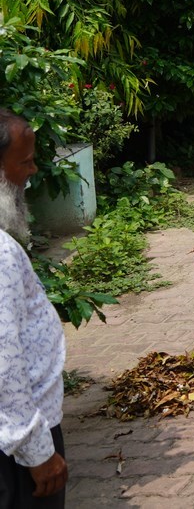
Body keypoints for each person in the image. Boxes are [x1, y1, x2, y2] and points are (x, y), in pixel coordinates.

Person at [0, 109, 68, 508]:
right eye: (24, 161)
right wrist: (38, 452)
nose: (33, 170)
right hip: (19, 450)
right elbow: (4, 362)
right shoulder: (1, 255)